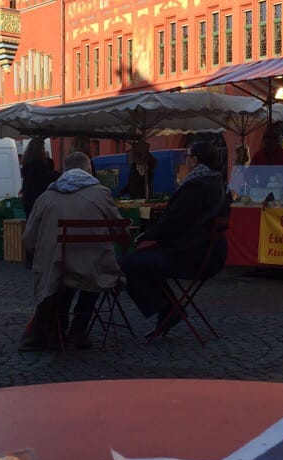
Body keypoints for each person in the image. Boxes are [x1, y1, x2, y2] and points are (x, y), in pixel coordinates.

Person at [121, 141, 228, 338]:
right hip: (207, 254)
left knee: (128, 264)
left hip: (190, 255)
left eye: (187, 156)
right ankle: (169, 310)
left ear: (194, 160)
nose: (185, 161)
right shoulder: (216, 183)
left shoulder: (196, 186)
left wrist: (146, 235)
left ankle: (167, 310)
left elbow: (173, 222)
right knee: (145, 261)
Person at [21, 151, 122, 351]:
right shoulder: (101, 194)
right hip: (95, 270)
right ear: (89, 170)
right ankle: (79, 329)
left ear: (64, 171)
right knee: (88, 270)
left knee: (62, 271)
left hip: (57, 272)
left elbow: (28, 239)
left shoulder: (46, 196)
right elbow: (119, 230)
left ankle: (57, 328)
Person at [20, 137, 60, 218]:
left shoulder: (27, 164)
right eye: (43, 148)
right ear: (39, 149)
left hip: (28, 198)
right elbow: (46, 178)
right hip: (40, 198)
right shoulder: (40, 164)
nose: (44, 150)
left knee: (31, 222)